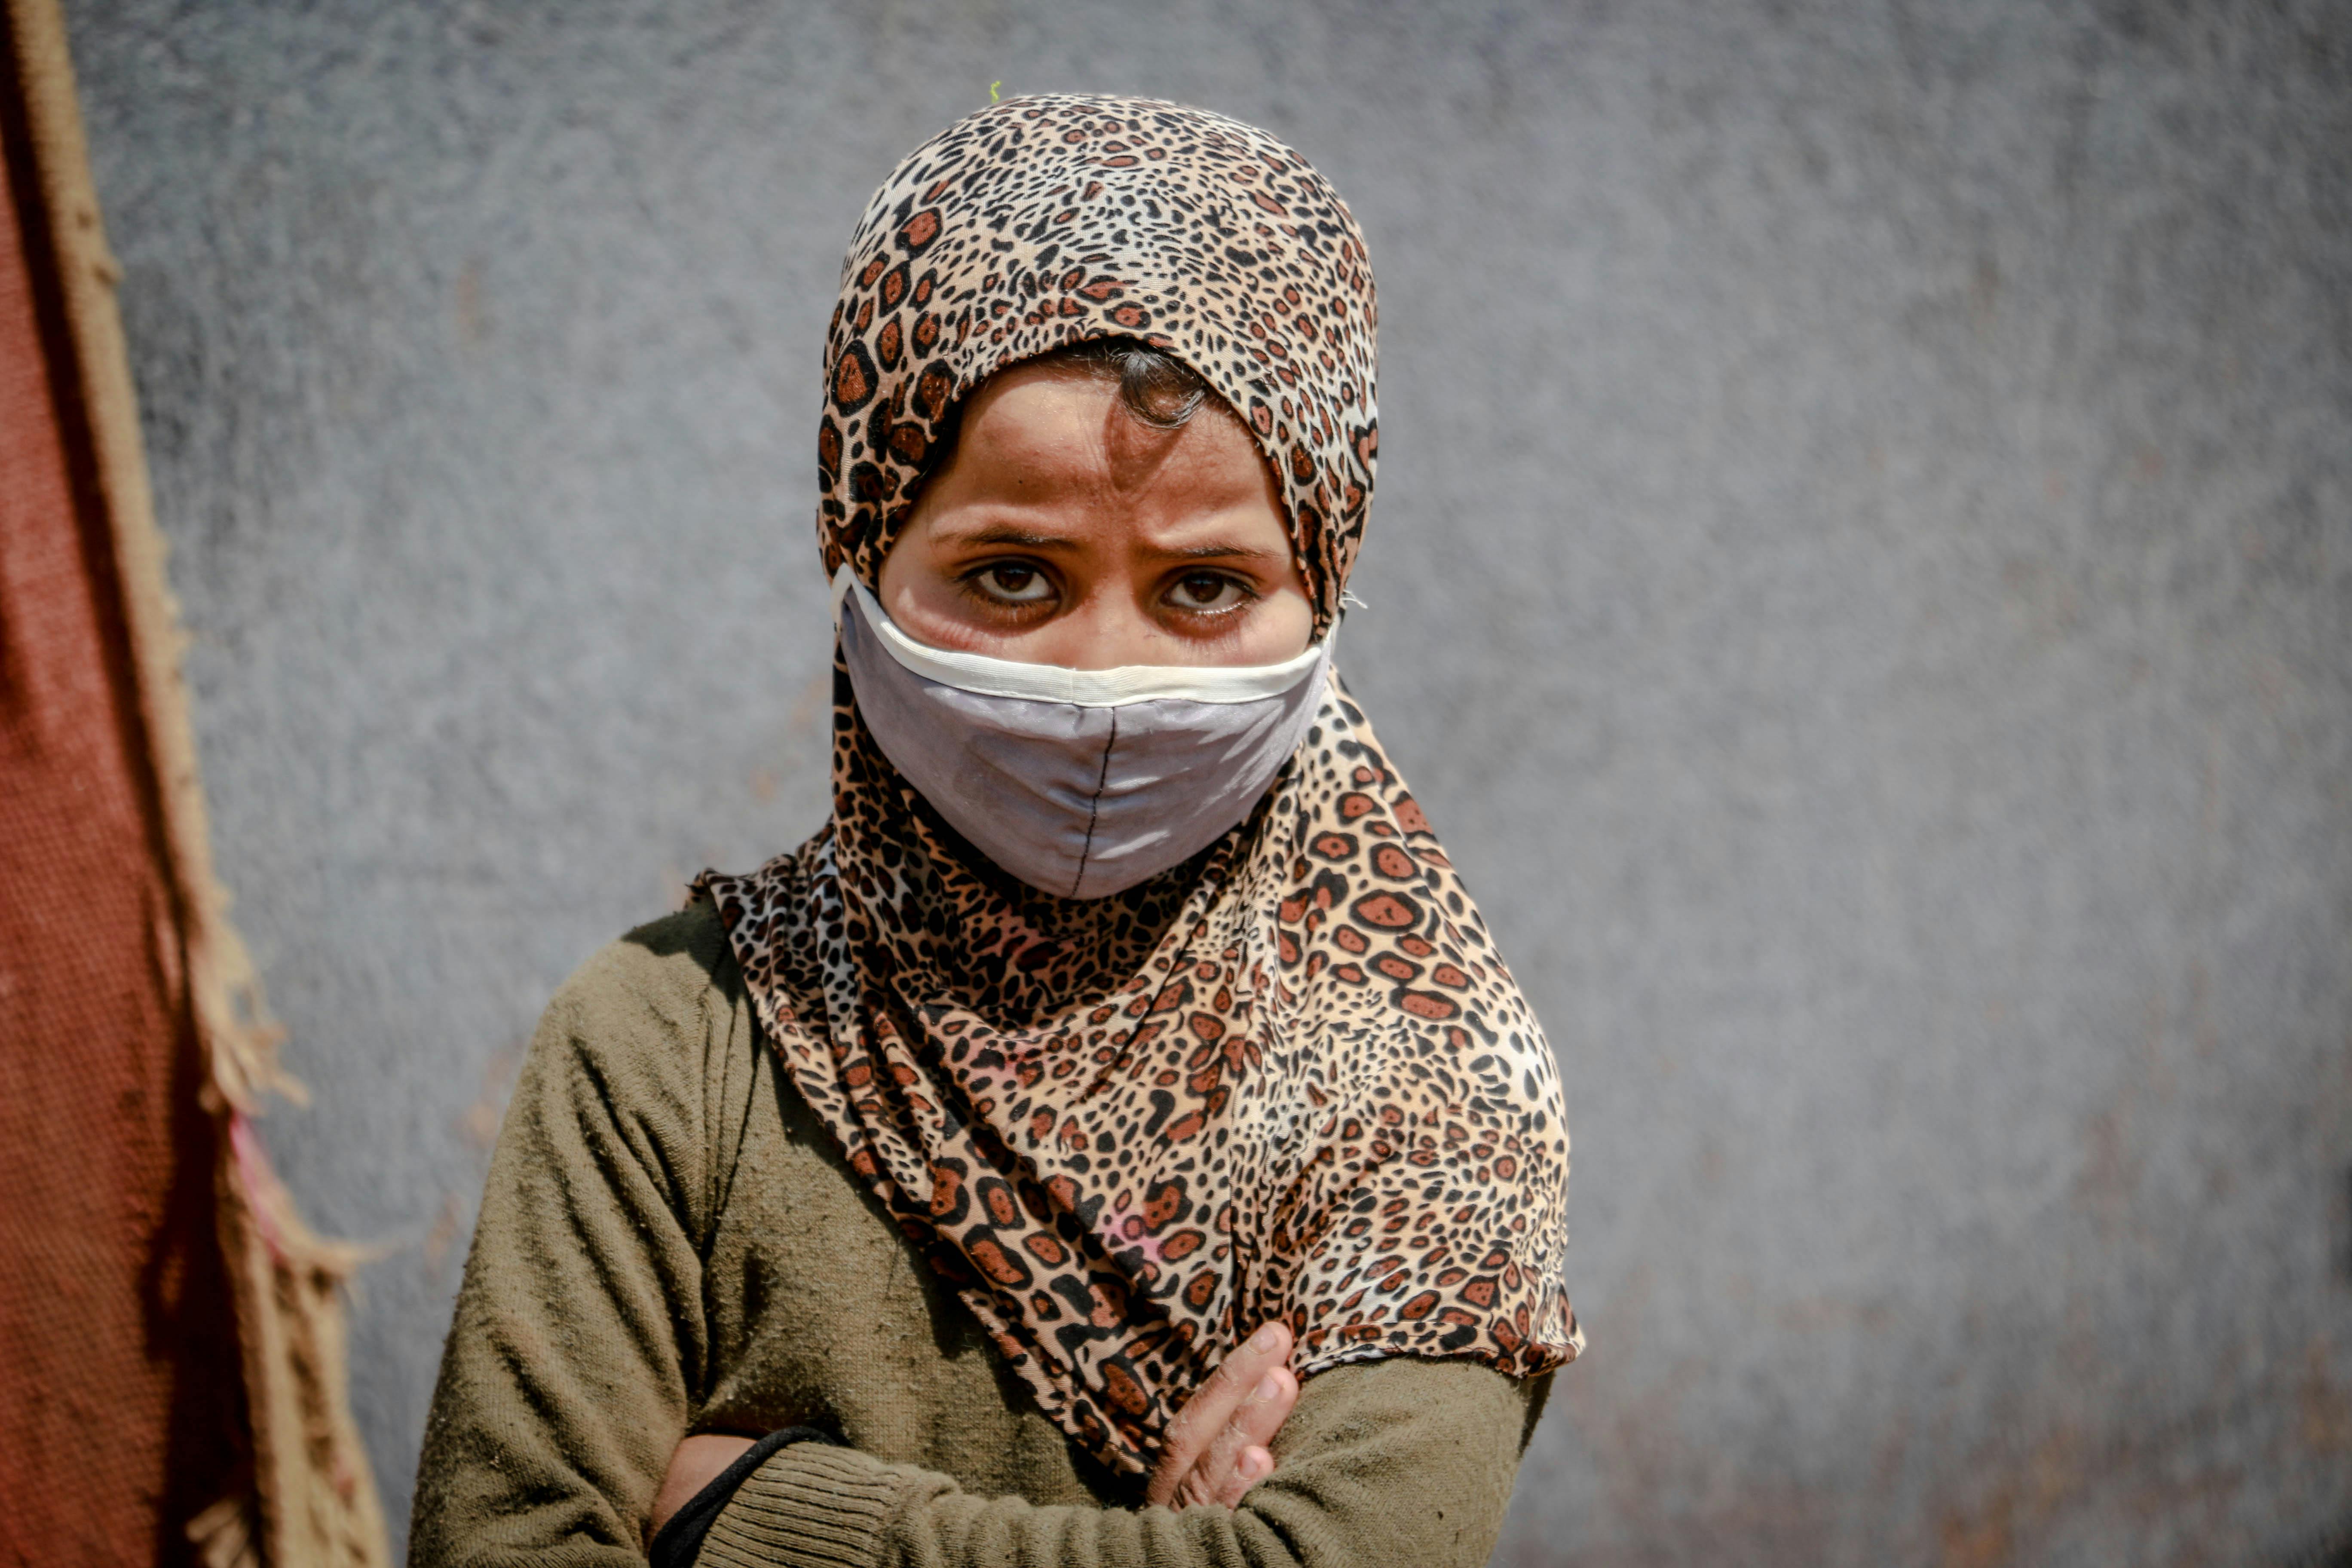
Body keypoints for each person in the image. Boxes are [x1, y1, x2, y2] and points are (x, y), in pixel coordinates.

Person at [410, 93, 1580, 1568]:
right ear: (864, 549)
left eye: (1206, 589)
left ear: (1323, 592)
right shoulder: (667, 1048)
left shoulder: (1419, 1084)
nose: (1104, 678)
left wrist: (754, 1512)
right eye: (1013, 574)